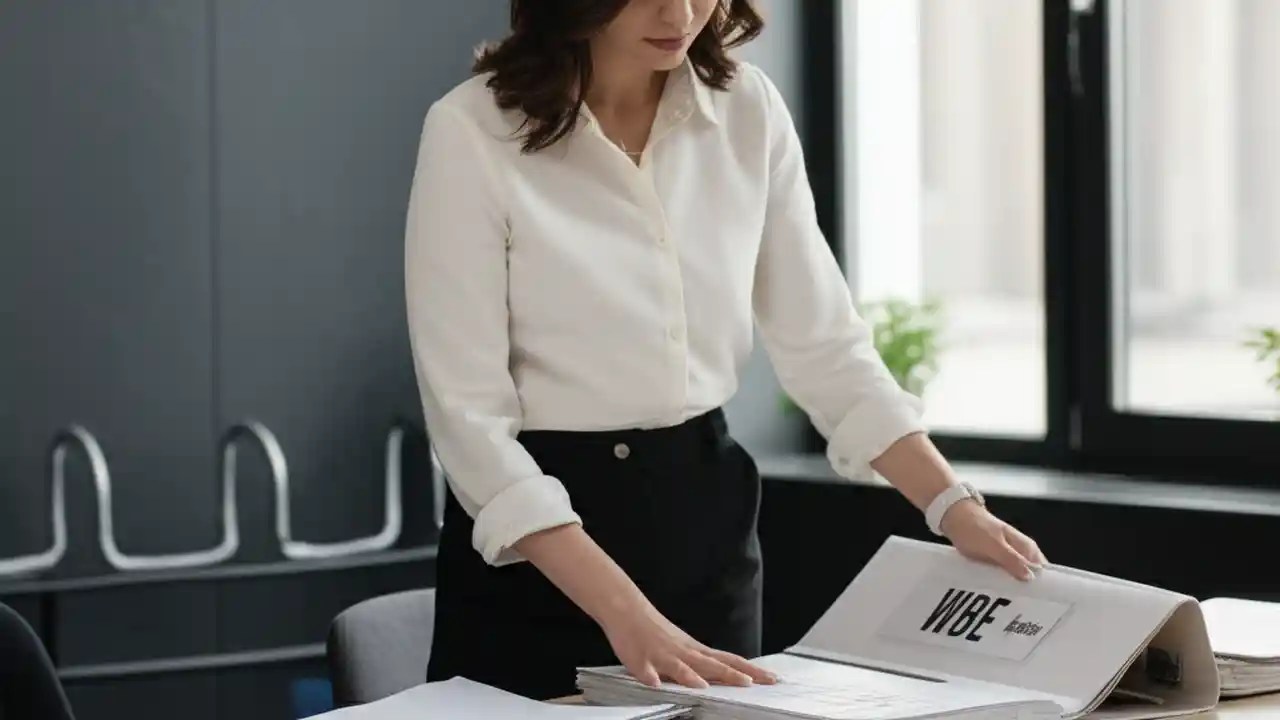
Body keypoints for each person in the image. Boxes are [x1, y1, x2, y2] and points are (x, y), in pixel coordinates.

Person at [404, 0, 1048, 701]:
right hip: (540, 553)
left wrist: (954, 506)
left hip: (702, 525)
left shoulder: (745, 110)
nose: (679, 12)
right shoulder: (472, 132)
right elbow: (469, 424)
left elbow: (826, 345)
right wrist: (629, 617)